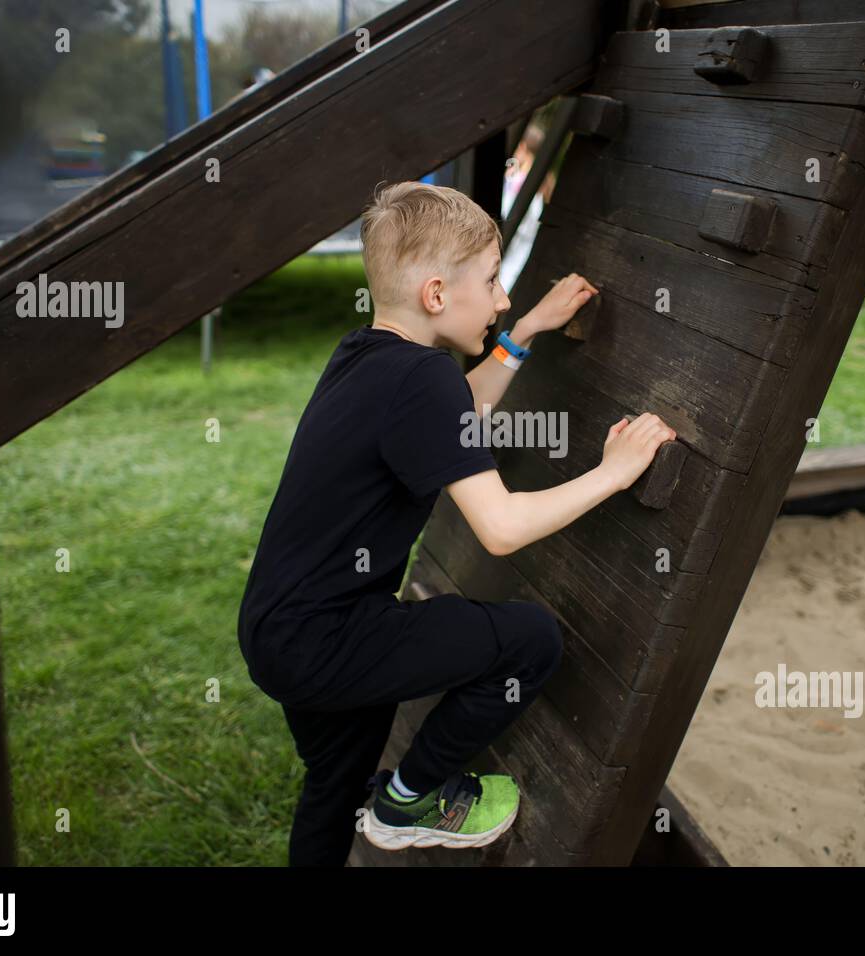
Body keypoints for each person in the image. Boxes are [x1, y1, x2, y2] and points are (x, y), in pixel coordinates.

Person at [236, 181, 677, 866]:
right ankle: (411, 798)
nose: (502, 300)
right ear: (437, 295)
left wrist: (523, 333)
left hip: (276, 630)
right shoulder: (422, 377)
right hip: (329, 636)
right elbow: (499, 527)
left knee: (334, 781)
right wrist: (612, 473)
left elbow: (447, 419)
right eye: (495, 282)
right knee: (528, 639)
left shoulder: (367, 355)